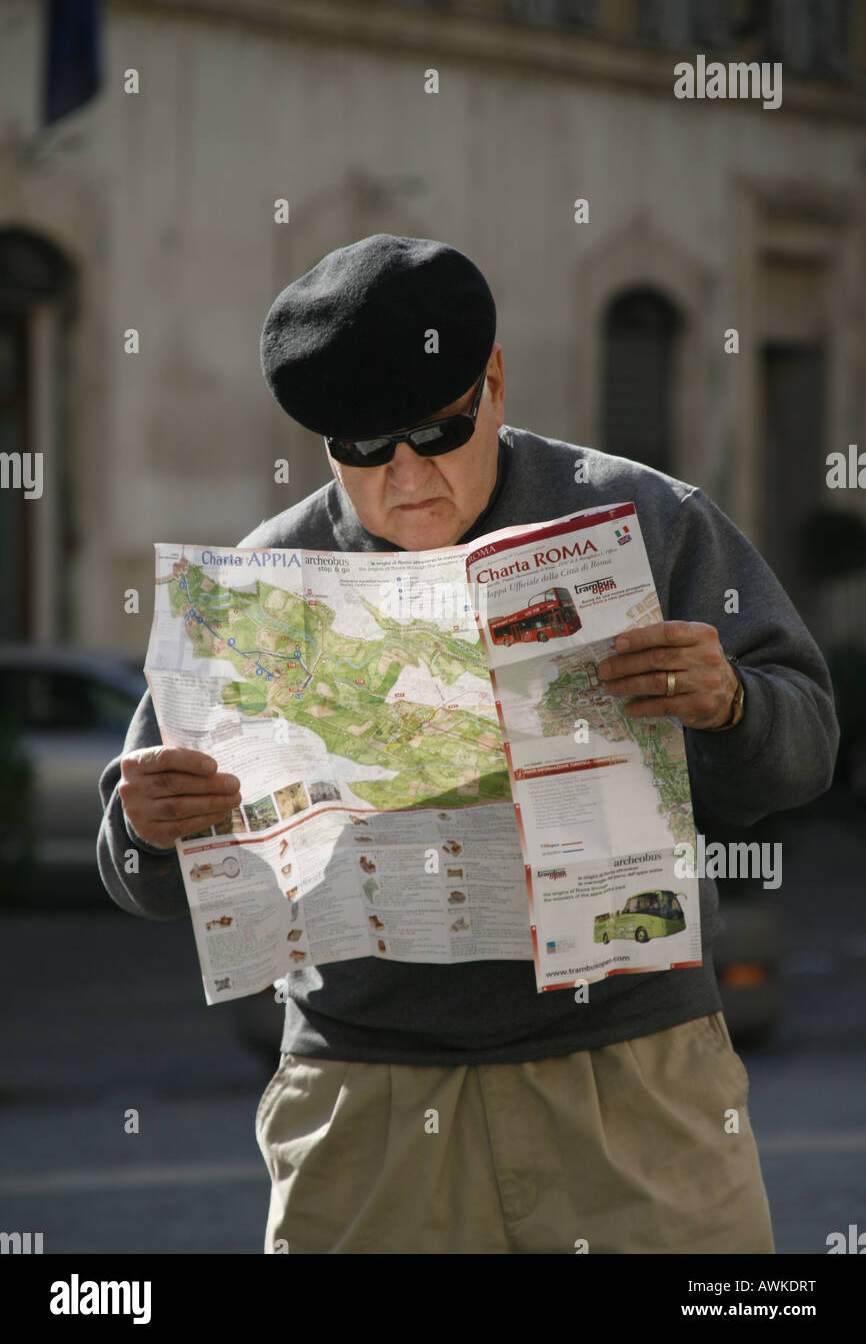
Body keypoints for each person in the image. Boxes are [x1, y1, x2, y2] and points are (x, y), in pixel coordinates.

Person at [97, 233, 839, 1254]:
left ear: (490, 380)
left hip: (628, 1078)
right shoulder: (264, 583)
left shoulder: (646, 519)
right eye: (361, 450)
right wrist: (146, 827)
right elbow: (139, 870)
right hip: (366, 1097)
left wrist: (731, 705)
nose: (402, 480)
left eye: (433, 431)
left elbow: (805, 753)